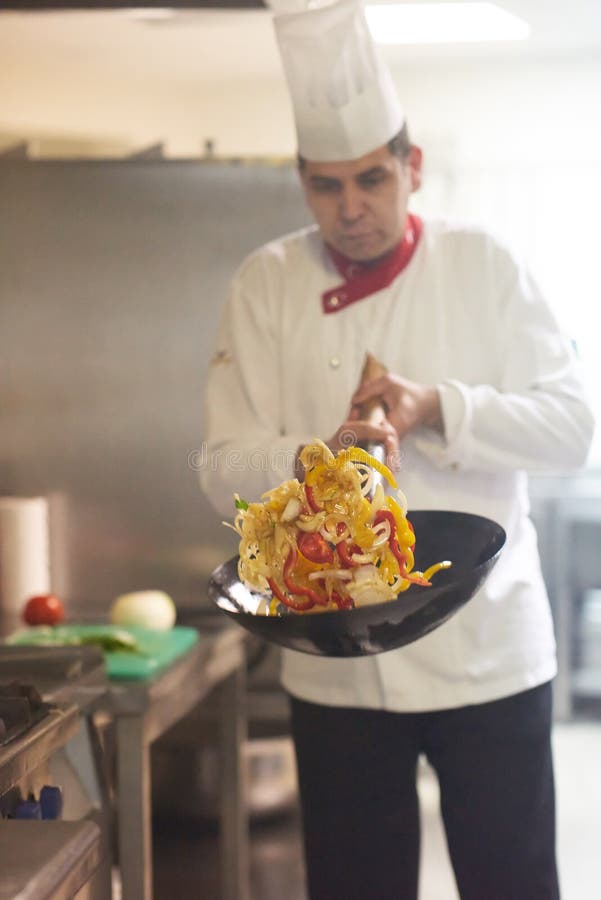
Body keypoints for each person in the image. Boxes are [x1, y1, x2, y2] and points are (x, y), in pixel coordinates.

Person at [200, 1, 595, 898]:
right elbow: (217, 465)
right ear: (300, 182)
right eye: (325, 186)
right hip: (336, 670)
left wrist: (438, 407)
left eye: (372, 180)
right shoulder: (265, 284)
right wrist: (314, 460)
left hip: (487, 654)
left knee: (510, 882)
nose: (350, 210)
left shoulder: (484, 265)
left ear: (412, 169)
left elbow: (572, 428)